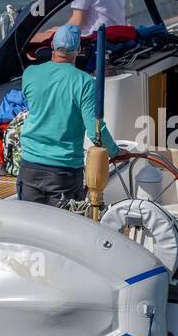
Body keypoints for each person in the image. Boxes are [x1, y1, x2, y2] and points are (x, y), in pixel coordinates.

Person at [17, 23, 121, 207]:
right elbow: (95, 131)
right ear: (79, 50)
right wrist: (115, 152)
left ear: (52, 46)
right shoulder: (85, 83)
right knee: (62, 230)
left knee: (31, 232)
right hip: (63, 172)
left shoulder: (30, 73)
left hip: (29, 167)